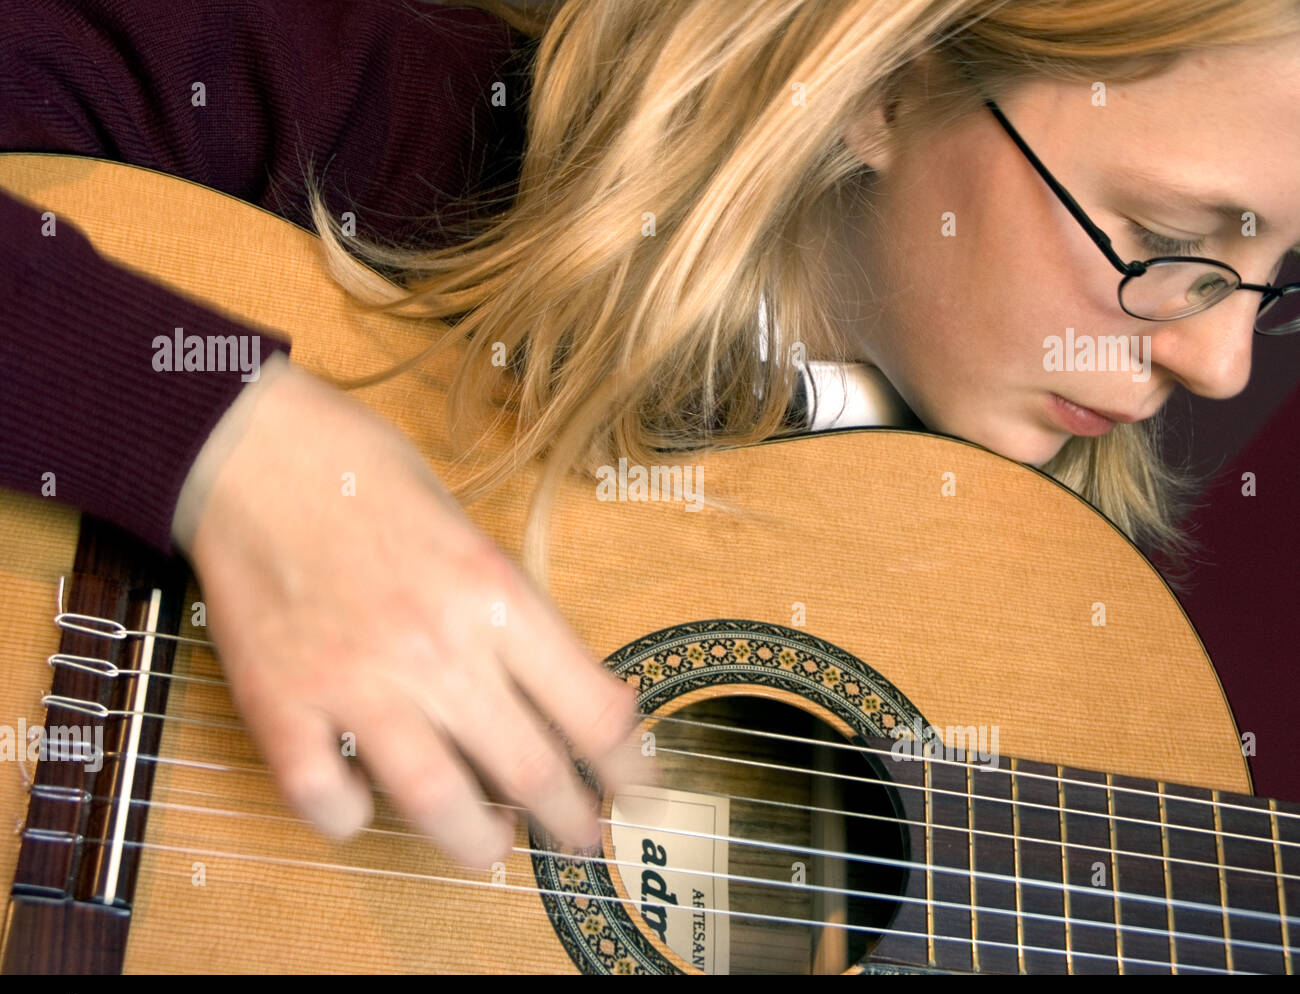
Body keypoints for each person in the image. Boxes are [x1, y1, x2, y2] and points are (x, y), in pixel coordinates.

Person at [3, 0, 1298, 870]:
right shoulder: (404, 115)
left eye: (1274, 279)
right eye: (1170, 244)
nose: (1219, 357)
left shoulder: (1045, 665)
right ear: (884, 88)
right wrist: (227, 453)